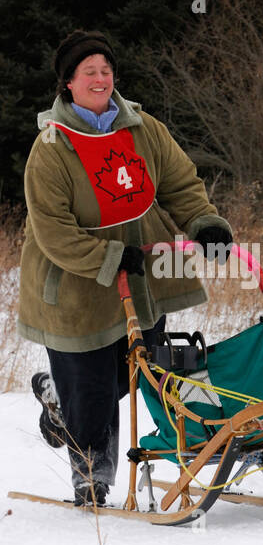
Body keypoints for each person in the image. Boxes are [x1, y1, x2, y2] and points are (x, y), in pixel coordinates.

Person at [19, 30, 233, 507]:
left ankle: (59, 400)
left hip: (141, 273)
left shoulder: (143, 128)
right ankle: (91, 477)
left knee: (138, 370)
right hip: (76, 281)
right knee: (91, 386)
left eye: (106, 70)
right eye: (88, 72)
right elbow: (52, 229)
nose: (100, 78)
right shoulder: (51, 147)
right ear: (68, 84)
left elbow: (179, 182)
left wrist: (204, 223)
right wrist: (107, 258)